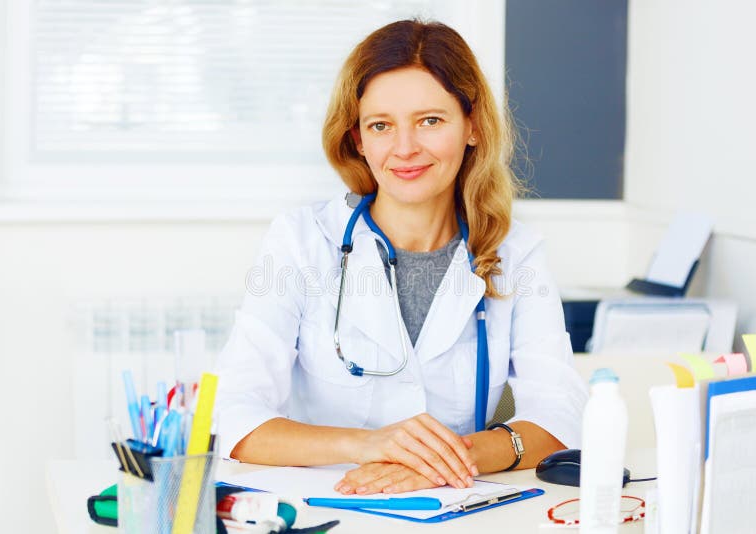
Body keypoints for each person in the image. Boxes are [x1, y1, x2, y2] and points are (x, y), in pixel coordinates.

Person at [215, 19, 587, 496]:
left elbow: (561, 415)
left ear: (472, 126)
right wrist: (370, 444)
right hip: (328, 507)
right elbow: (233, 415)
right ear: (358, 139)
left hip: (455, 506)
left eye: (430, 121)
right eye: (381, 126)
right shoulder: (301, 241)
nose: (405, 148)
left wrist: (440, 461)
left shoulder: (516, 253)